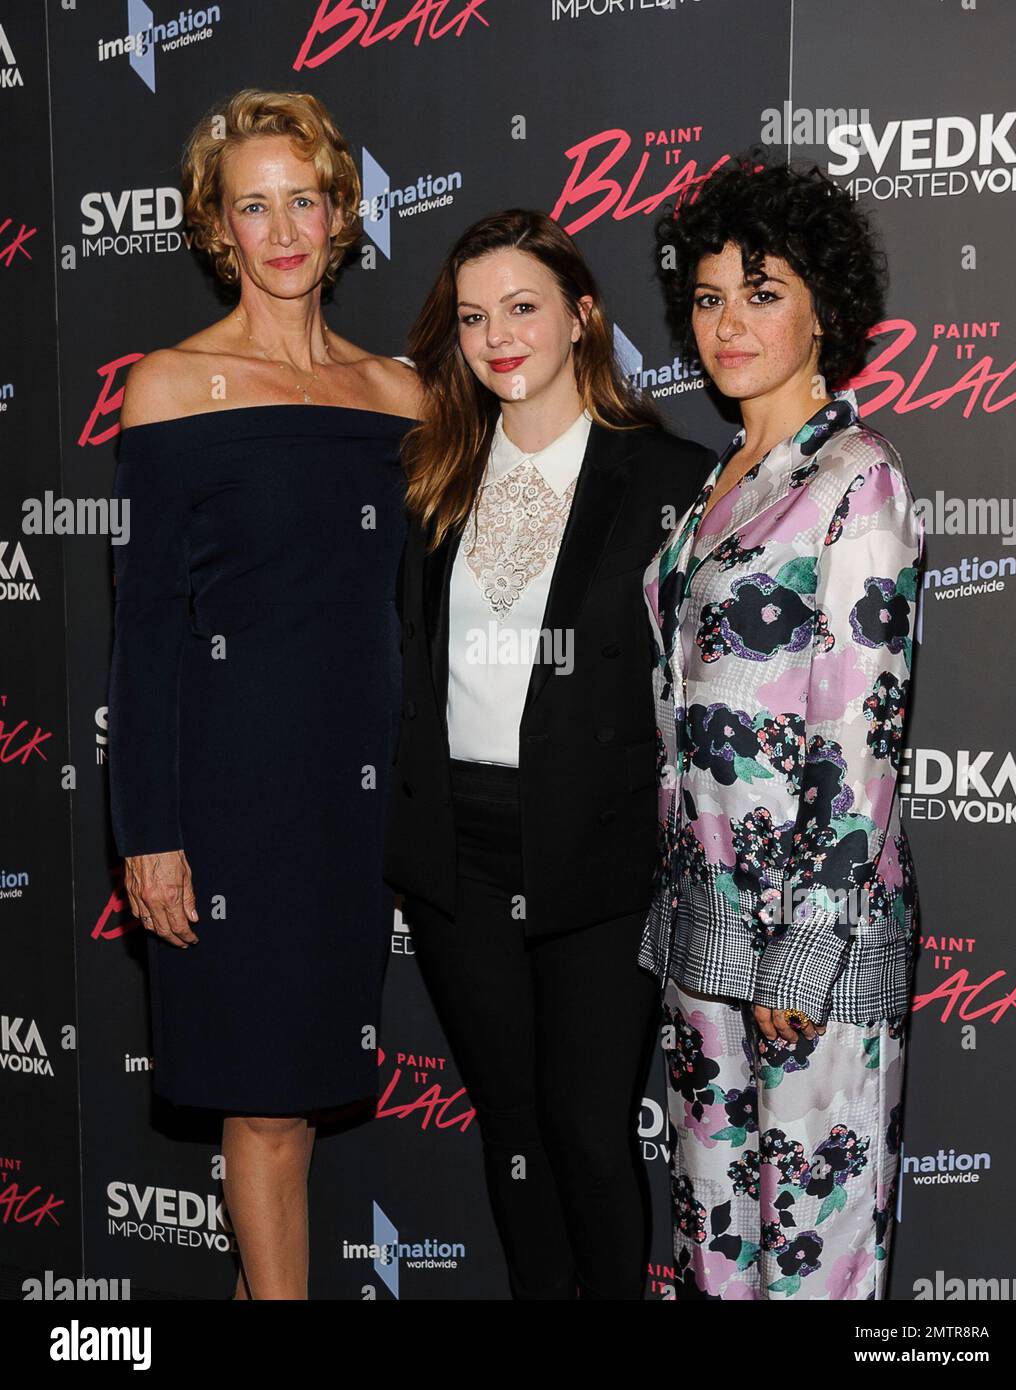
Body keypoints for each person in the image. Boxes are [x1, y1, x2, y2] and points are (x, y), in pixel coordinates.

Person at [107, 88, 424, 1300]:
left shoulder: (400, 394)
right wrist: (153, 833)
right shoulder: (171, 389)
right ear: (216, 226)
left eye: (304, 198)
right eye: (254, 204)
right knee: (269, 1110)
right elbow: (143, 632)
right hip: (227, 802)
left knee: (299, 1099)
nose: (282, 228)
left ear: (341, 211)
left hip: (354, 804)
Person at [383, 208, 715, 1299]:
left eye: (523, 307)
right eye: (473, 317)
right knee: (513, 1129)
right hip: (456, 858)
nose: (498, 337)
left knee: (584, 1130)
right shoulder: (434, 472)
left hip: (600, 855)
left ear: (580, 317)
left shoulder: (671, 480)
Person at [641, 155, 925, 1300]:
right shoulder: (718, 483)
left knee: (815, 1263)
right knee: (714, 1257)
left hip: (816, 943)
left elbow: (863, 738)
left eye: (761, 292)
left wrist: (802, 954)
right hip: (705, 927)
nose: (729, 322)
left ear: (823, 309)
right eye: (708, 297)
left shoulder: (858, 479)